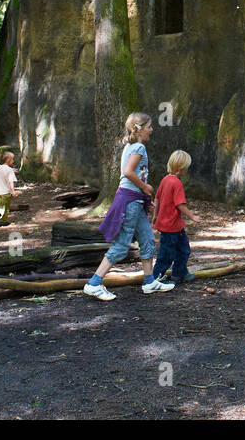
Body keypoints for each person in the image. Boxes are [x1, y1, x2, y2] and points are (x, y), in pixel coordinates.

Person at [83, 112, 175, 300]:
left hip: (136, 200)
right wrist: (145, 188)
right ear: (140, 129)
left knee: (148, 239)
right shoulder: (138, 147)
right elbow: (128, 172)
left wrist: (143, 197)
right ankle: (94, 283)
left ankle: (149, 282)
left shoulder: (131, 146)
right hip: (130, 201)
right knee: (122, 244)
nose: (152, 129)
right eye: (149, 126)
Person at [152, 150, 198, 284]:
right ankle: (156, 278)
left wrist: (155, 216)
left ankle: (179, 273)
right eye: (187, 168)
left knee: (183, 250)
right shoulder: (176, 183)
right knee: (166, 254)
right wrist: (192, 216)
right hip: (170, 227)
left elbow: (157, 198)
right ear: (182, 169)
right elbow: (180, 204)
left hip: (176, 226)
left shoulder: (165, 179)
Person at [0, 151, 18, 226]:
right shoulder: (9, 170)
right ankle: (3, 220)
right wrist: (13, 191)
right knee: (6, 207)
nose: (13, 161)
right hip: (6, 193)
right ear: (8, 160)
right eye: (12, 159)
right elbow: (10, 182)